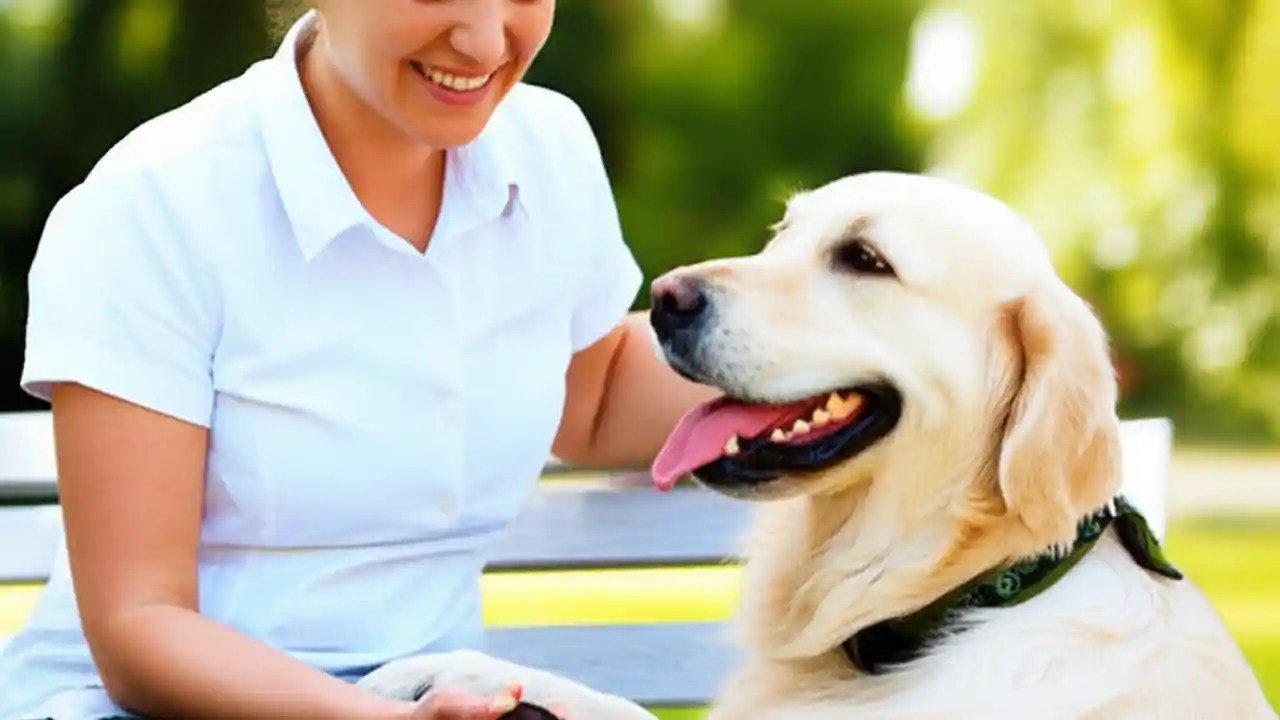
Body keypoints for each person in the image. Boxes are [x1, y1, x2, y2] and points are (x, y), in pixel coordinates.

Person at [0, 1, 715, 718]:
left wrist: (808, 355)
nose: (485, 40)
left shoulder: (547, 150)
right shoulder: (153, 208)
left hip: (435, 694)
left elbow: (594, 399)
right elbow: (139, 628)